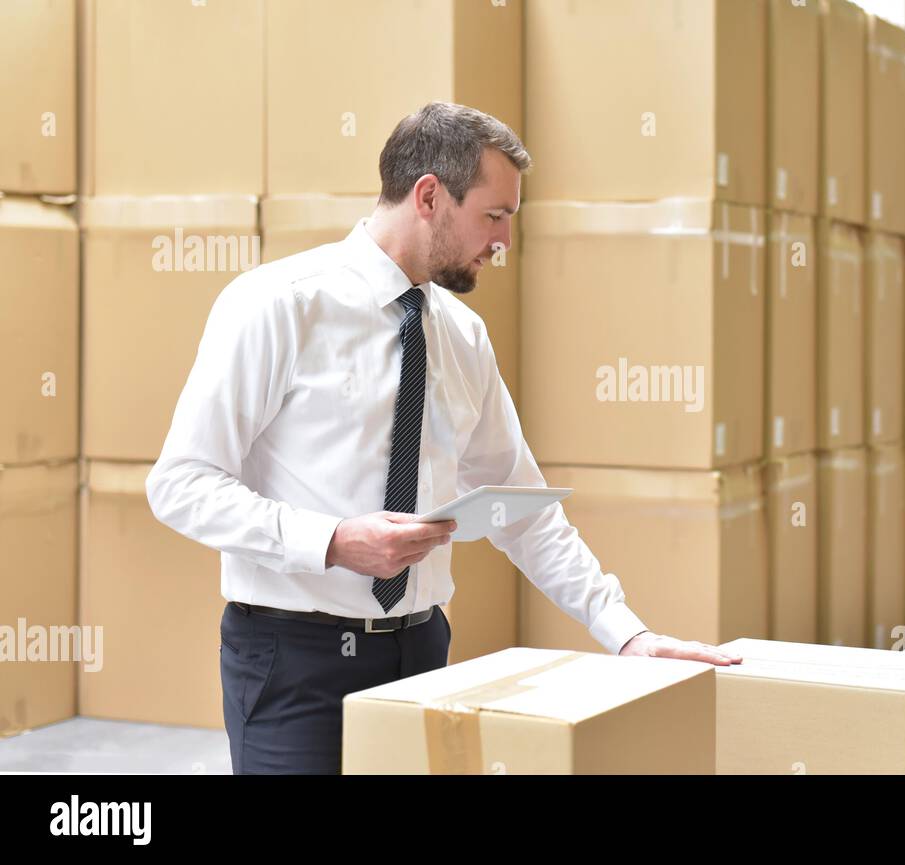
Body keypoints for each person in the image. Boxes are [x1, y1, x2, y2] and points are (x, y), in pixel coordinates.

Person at [147, 102, 740, 774]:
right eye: (495, 216)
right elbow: (180, 484)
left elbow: (524, 509)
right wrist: (334, 541)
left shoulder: (460, 337)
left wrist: (626, 633)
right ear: (429, 195)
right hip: (293, 661)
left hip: (421, 652)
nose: (505, 242)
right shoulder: (278, 305)